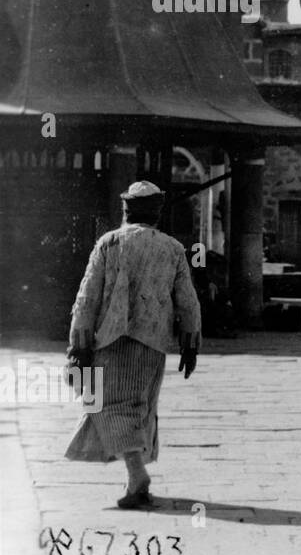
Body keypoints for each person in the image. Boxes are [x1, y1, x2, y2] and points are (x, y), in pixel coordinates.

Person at [65, 181, 201, 509]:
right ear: (157, 212)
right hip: (153, 342)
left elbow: (87, 297)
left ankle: (137, 475)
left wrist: (78, 345)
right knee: (139, 407)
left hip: (111, 340)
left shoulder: (109, 244)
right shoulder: (173, 248)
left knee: (106, 405)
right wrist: (190, 342)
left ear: (126, 210)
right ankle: (134, 479)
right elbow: (188, 302)